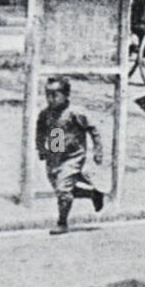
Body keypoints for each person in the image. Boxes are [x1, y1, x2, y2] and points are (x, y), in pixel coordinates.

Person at [36, 76, 105, 235]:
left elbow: (93, 129)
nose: (51, 99)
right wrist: (41, 149)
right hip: (54, 156)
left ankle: (62, 223)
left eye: (55, 95)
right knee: (61, 189)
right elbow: (40, 132)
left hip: (73, 157)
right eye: (48, 94)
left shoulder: (75, 113)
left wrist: (98, 150)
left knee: (63, 189)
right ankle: (92, 194)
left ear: (66, 95)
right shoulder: (46, 114)